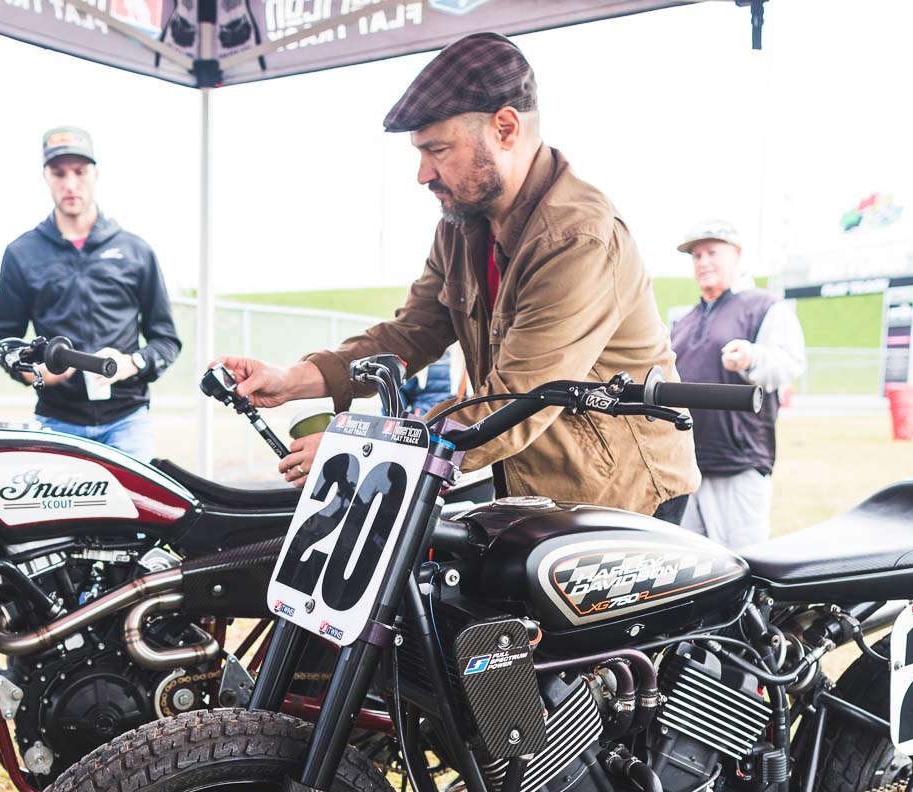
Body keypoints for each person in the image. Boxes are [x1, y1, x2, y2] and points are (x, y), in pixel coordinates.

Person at [214, 33, 697, 518]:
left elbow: (521, 397)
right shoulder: (463, 223)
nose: (422, 174)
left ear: (506, 129)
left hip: (623, 495)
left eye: (438, 150)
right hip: (536, 486)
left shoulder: (577, 238)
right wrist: (294, 378)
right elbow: (412, 333)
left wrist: (365, 450)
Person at [0, 126, 182, 460]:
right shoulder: (22, 252)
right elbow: (3, 340)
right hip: (56, 423)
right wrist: (36, 372)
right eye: (59, 173)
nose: (70, 184)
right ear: (45, 176)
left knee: (139, 514)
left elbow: (166, 340)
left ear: (96, 173)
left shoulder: (135, 250)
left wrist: (131, 363)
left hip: (127, 422)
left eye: (79, 172)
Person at [670, 218, 807, 549]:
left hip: (739, 461)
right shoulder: (684, 321)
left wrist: (752, 358)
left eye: (712, 253)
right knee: (690, 568)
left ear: (736, 254)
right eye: (696, 256)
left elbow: (790, 364)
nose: (702, 263)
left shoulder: (765, 306)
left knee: (743, 565)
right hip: (687, 466)